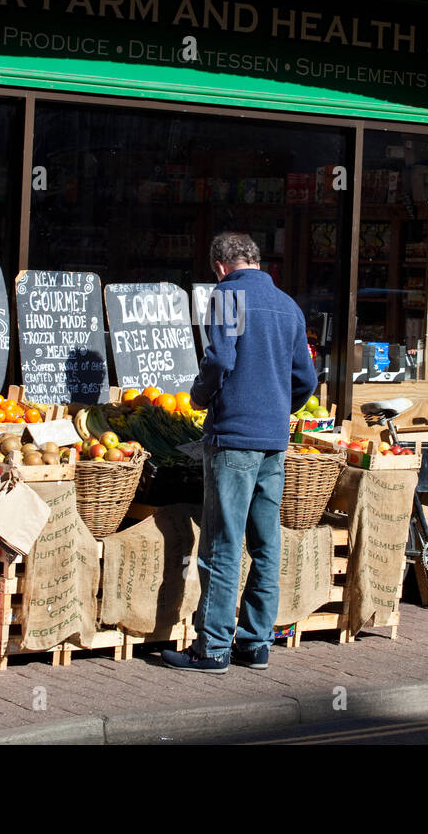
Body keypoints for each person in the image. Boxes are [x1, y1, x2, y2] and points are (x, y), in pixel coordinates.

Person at [162, 232, 318, 673]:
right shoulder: (288, 305)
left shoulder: (227, 297)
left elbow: (220, 360)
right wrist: (276, 409)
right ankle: (256, 643)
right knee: (267, 543)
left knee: (222, 544)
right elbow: (305, 377)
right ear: (254, 260)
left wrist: (199, 395)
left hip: (233, 438)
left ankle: (211, 648)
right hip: (273, 440)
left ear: (220, 266)